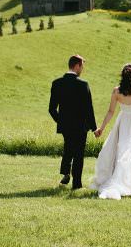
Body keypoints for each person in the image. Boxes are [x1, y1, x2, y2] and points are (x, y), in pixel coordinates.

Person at [89, 63, 131, 200]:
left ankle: (127, 181)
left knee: (122, 152)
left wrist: (102, 128)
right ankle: (129, 182)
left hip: (123, 122)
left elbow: (111, 112)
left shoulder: (116, 91)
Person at [48, 54, 97, 190]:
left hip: (65, 126)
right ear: (77, 66)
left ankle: (65, 172)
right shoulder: (83, 84)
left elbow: (51, 109)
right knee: (79, 154)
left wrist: (61, 122)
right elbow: (89, 109)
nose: (83, 69)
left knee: (68, 148)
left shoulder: (57, 83)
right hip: (81, 127)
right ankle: (76, 184)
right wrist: (94, 128)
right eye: (82, 66)